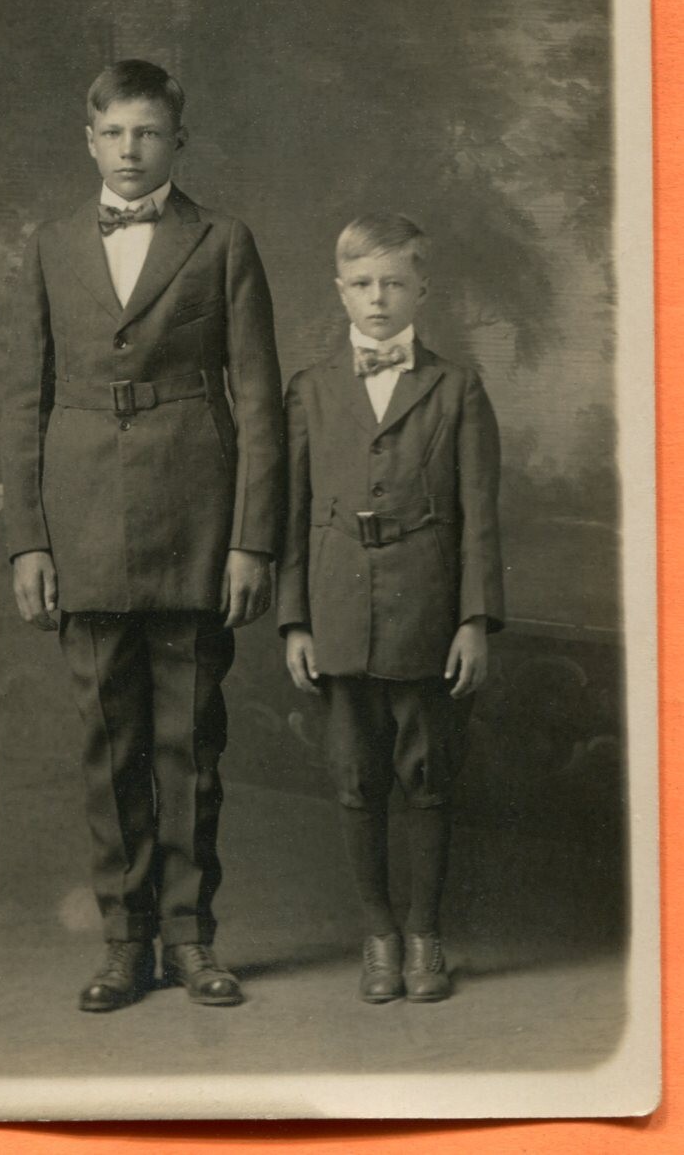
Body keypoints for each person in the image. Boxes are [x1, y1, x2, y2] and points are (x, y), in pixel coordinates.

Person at [2, 59, 284, 1012]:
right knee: (108, 744)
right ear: (89, 139)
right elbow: (24, 402)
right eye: (115, 132)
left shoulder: (224, 242)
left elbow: (258, 402)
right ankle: (125, 943)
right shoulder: (47, 246)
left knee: (190, 745)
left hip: (196, 522)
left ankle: (192, 938)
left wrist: (252, 539)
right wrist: (29, 540)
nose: (131, 150)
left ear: (178, 142)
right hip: (80, 527)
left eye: (150, 134)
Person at [278, 213, 503, 1003]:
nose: (379, 299)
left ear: (421, 290)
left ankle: (424, 934)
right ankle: (376, 933)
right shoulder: (308, 390)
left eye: (395, 283)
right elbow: (293, 512)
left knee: (428, 773)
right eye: (364, 284)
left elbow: (480, 512)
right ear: (340, 291)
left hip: (428, 610)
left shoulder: (456, 387)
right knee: (354, 776)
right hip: (338, 607)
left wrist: (474, 619)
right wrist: (294, 618)